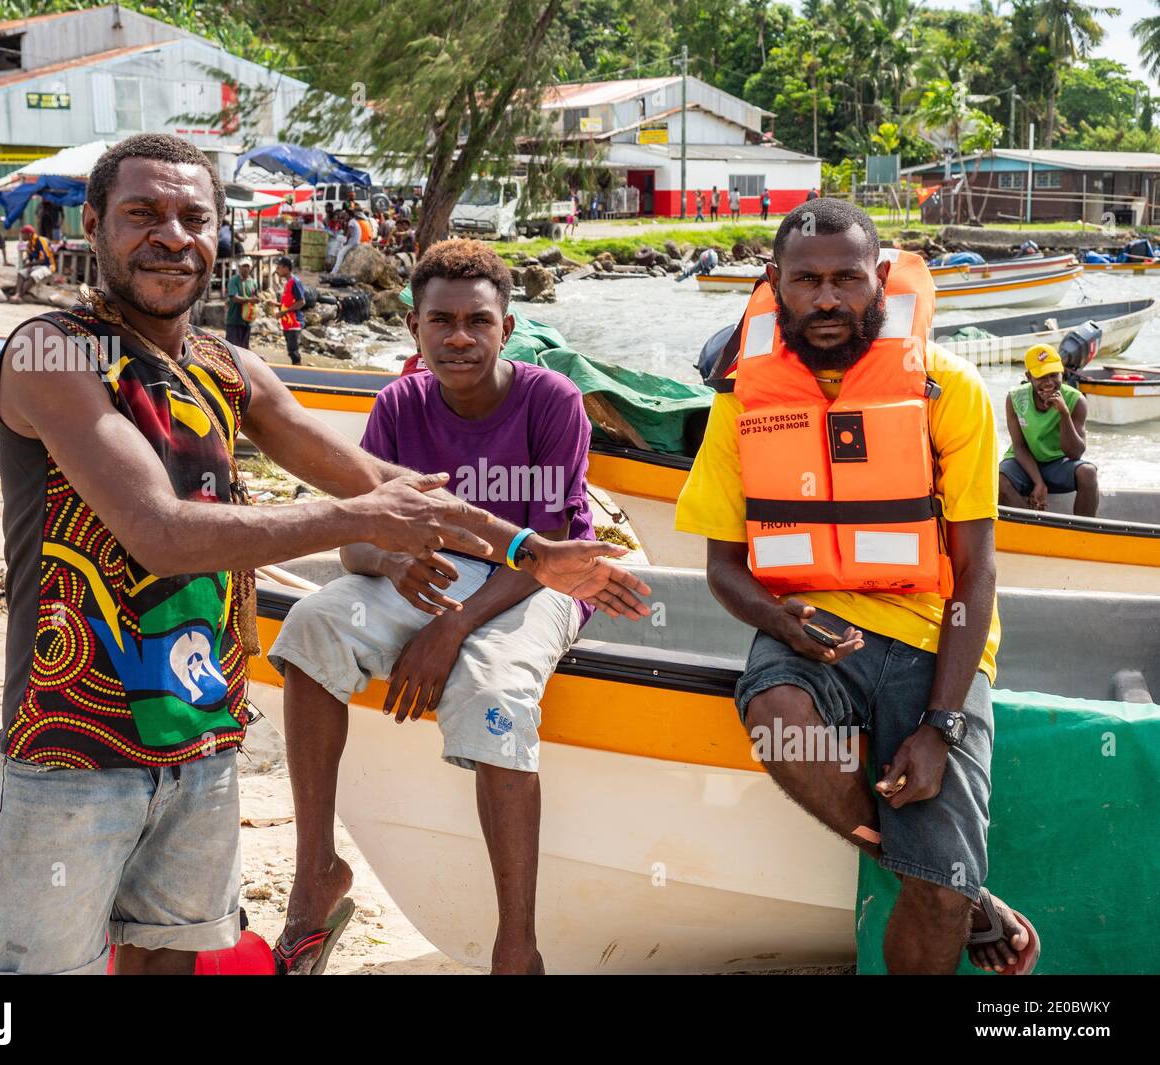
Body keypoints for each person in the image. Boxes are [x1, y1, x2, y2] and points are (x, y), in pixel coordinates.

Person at [0, 133, 647, 977]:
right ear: (94, 223)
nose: (172, 236)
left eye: (194, 217)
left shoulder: (228, 367)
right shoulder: (52, 350)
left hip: (200, 735)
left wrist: (531, 547)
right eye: (142, 213)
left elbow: (387, 480)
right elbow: (159, 531)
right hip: (72, 740)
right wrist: (354, 519)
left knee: (166, 962)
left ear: (221, 233)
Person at [676, 198, 1040, 976]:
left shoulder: (950, 389)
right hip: (815, 634)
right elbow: (722, 567)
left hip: (932, 637)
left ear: (881, 278)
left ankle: (948, 883)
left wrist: (939, 726)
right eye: (808, 281)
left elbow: (976, 571)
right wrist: (776, 618)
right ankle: (939, 867)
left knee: (936, 901)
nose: (829, 299)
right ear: (776, 285)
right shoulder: (742, 398)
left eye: (848, 278)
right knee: (778, 716)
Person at [265, 238, 649, 975]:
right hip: (437, 581)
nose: (460, 337)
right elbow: (356, 543)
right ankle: (315, 872)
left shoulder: (551, 400)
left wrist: (453, 624)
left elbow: (557, 551)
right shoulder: (399, 404)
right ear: (414, 328)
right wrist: (394, 562)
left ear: (507, 325)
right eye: (441, 321)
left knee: (494, 688)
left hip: (537, 586)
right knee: (312, 626)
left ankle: (516, 944)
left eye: (478, 320)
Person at [999, 344, 1095, 517]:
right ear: (1029, 377)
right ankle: (1030, 526)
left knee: (1088, 473)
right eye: (1041, 377)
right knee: (998, 479)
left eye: (1053, 375)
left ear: (1062, 373)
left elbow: (1075, 454)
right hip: (1024, 463)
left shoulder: (1076, 400)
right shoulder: (1015, 398)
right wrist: (1039, 483)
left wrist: (1064, 414)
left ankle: (1083, 535)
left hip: (1058, 463)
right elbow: (1019, 447)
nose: (1049, 382)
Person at [10, 224, 57, 303]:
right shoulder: (29, 244)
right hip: (36, 266)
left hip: (47, 266)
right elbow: (31, 259)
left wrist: (30, 264)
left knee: (34, 275)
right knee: (21, 273)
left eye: (23, 234)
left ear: (29, 234)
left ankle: (20, 295)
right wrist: (28, 262)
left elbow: (44, 260)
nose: (22, 236)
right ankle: (17, 294)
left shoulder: (41, 241)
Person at [275, 255, 306, 365]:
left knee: (294, 352)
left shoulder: (294, 282)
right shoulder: (287, 283)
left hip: (294, 322)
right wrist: (276, 304)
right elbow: (288, 304)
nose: (277, 270)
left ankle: (299, 375)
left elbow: (301, 301)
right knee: (291, 351)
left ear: (286, 268)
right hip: (288, 323)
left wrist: (284, 312)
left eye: (279, 267)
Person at [225, 257, 260, 348]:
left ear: (250, 268)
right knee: (232, 348)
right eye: (244, 266)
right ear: (239, 267)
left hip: (247, 320)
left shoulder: (253, 282)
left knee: (244, 348)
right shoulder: (234, 280)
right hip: (234, 319)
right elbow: (234, 298)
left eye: (247, 266)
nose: (246, 268)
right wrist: (250, 300)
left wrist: (257, 299)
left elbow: (255, 296)